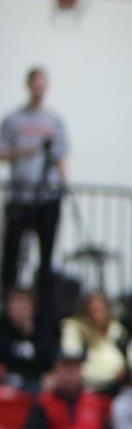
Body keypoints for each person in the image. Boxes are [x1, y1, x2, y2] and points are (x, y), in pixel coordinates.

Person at [0, 66, 68, 319]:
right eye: (34, 84)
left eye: (42, 84)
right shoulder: (13, 120)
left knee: (46, 257)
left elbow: (61, 157)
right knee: (12, 256)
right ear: (28, 86)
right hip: (21, 197)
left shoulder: (54, 121)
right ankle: (8, 306)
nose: (38, 89)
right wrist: (25, 151)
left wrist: (63, 184)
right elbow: (2, 153)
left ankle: (44, 310)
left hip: (48, 198)